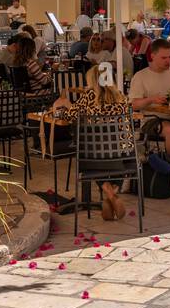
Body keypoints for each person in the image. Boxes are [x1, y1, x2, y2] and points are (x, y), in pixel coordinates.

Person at [50, 67, 134, 221]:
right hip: (123, 155)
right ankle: (112, 195)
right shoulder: (121, 97)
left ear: (92, 81)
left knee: (92, 152)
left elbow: (69, 115)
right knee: (113, 154)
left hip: (94, 156)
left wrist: (59, 109)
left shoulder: (89, 96)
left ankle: (109, 193)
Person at [129, 39, 170, 172]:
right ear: (152, 56)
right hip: (151, 120)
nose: (168, 61)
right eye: (164, 57)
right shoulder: (141, 76)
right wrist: (151, 99)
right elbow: (134, 105)